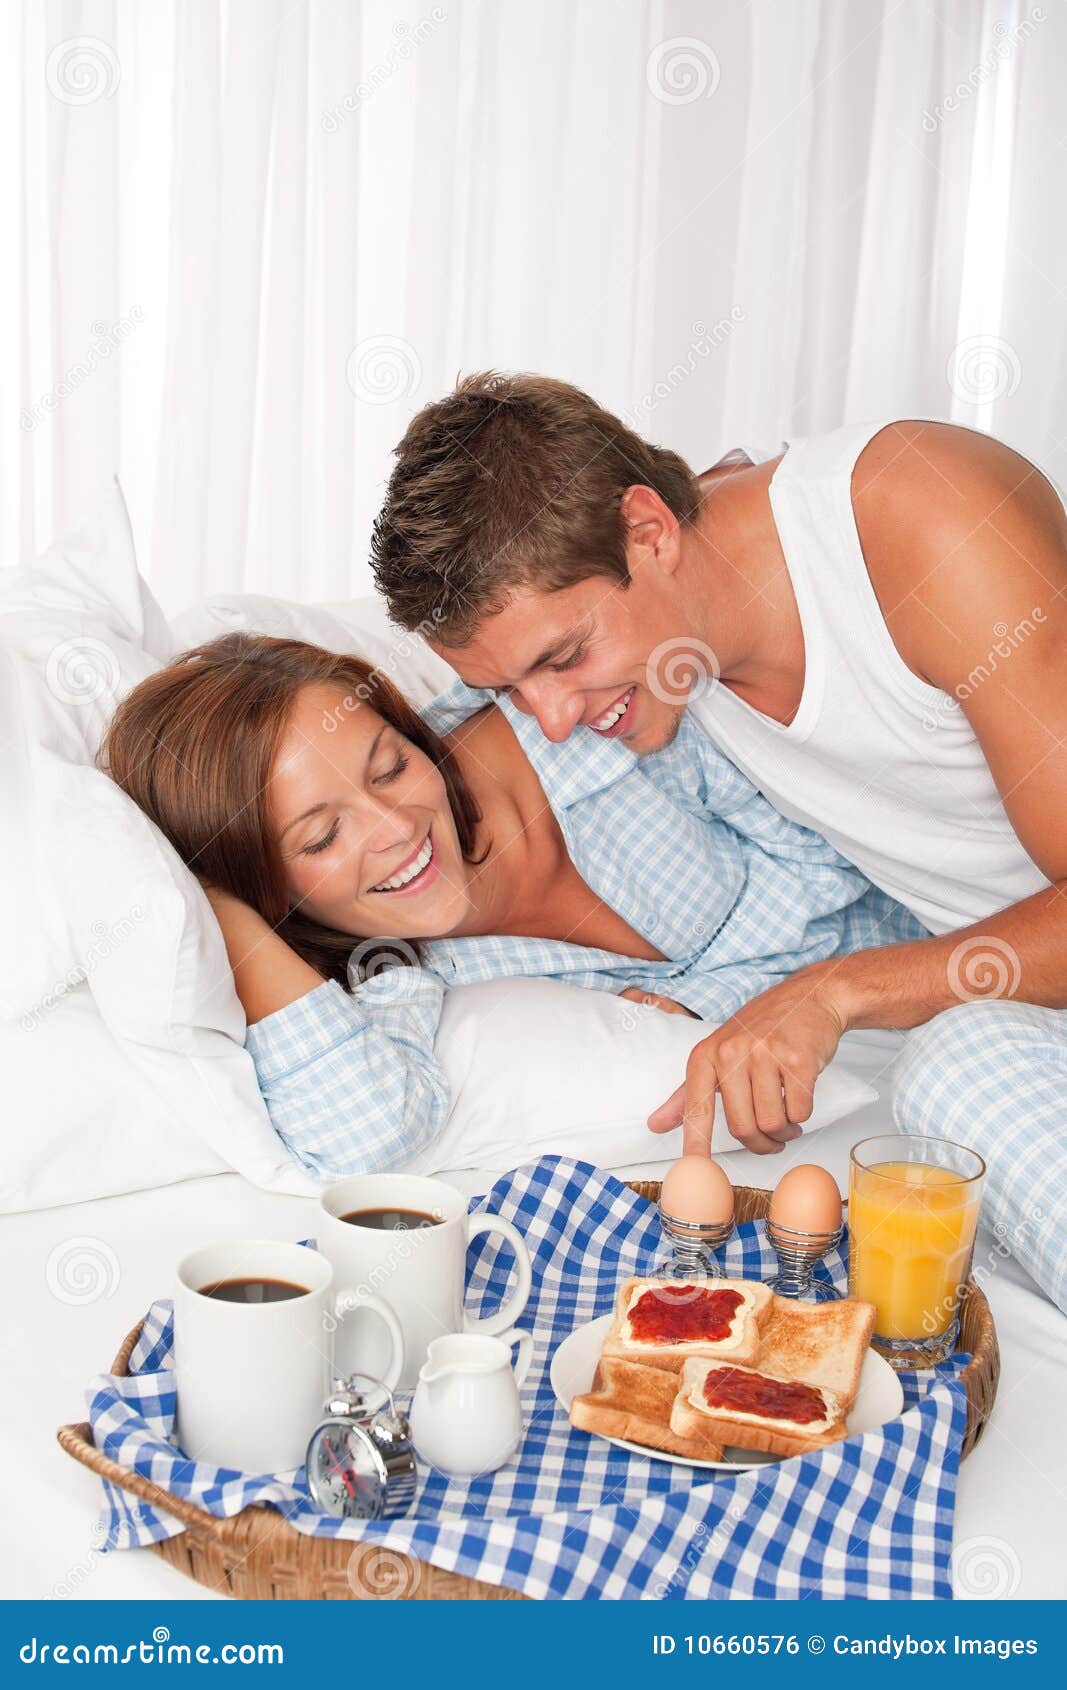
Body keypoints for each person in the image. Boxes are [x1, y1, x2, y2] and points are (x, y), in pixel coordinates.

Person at [370, 373, 1067, 1313]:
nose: (555, 721)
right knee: (949, 1089)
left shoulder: (916, 517)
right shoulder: (673, 613)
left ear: (650, 533)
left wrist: (834, 993)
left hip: (1019, 995)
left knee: (954, 1062)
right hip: (1027, 1011)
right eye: (511, 690)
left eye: (562, 658)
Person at [98, 632, 920, 1180]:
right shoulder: (387, 969)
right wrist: (216, 907)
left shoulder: (574, 714)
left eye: (389, 766)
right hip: (911, 1049)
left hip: (976, 919)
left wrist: (713, 1004)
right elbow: (367, 1134)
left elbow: (831, 843)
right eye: (319, 838)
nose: (395, 829)